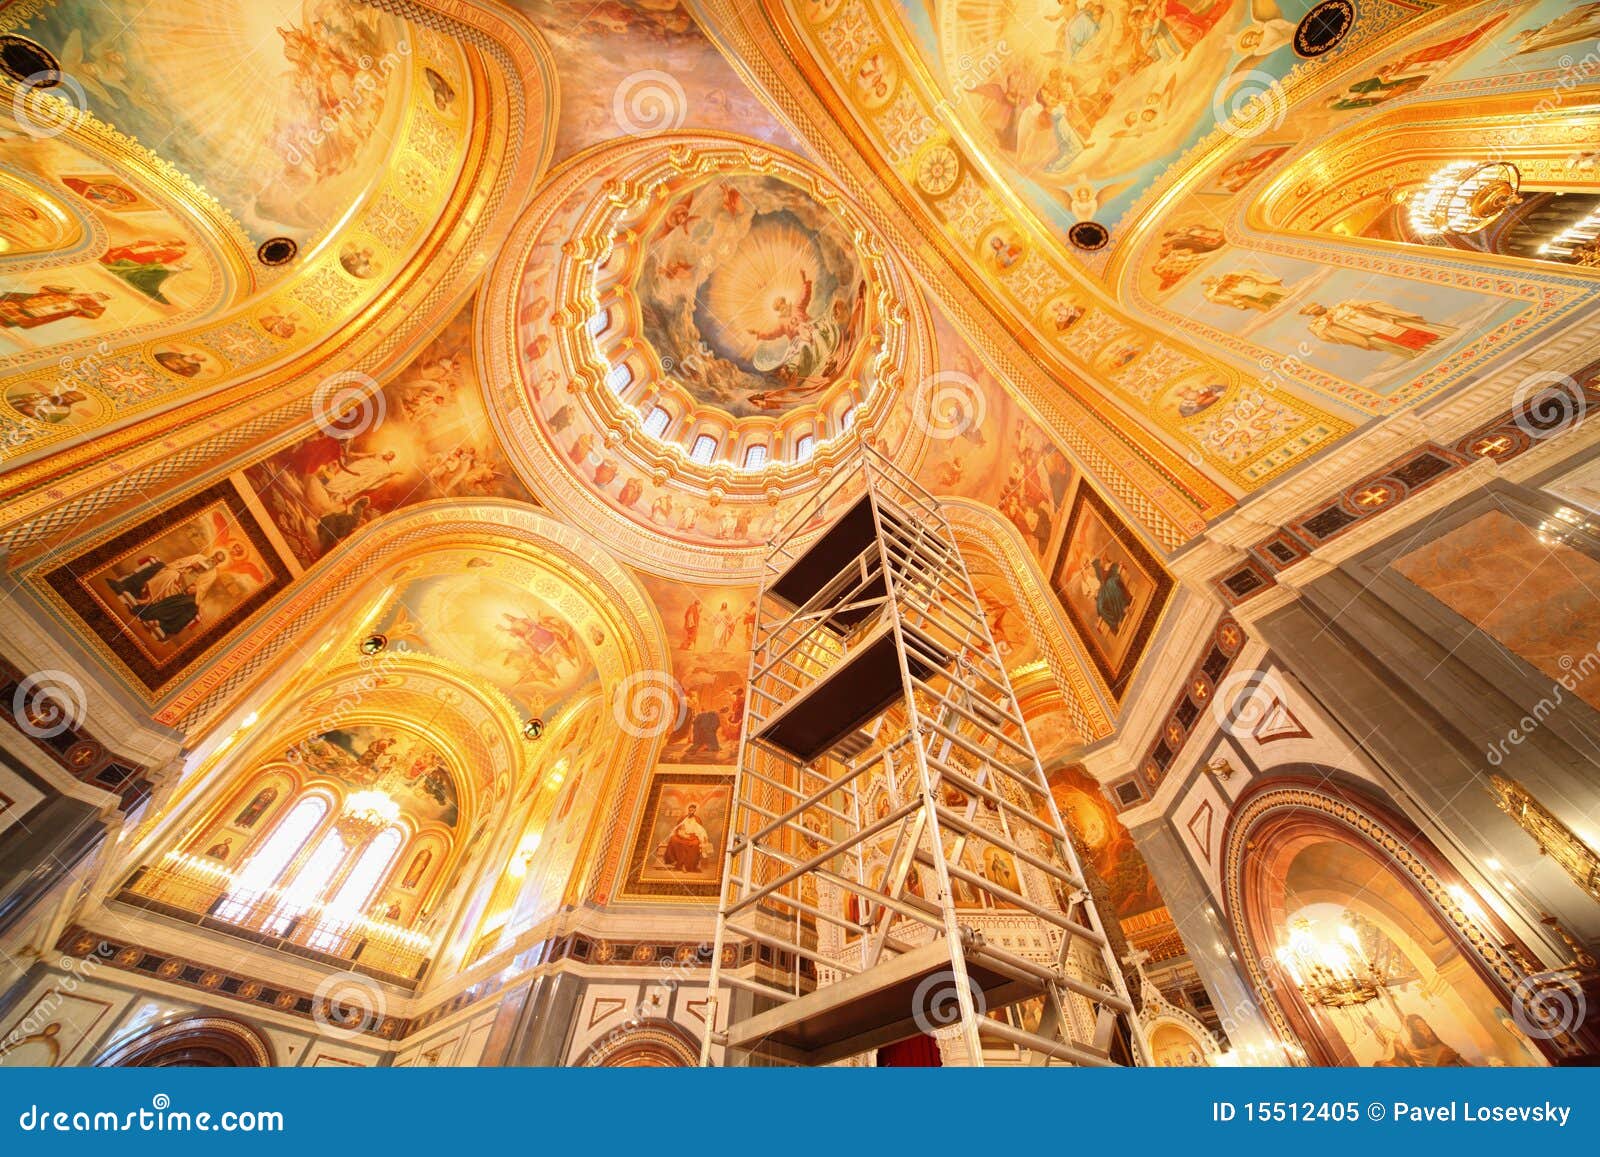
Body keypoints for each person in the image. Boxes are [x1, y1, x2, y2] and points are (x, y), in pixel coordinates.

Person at [662, 803, 711, 872]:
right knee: (673, 839)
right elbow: (677, 827)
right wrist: (680, 833)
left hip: (692, 836)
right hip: (682, 835)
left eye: (692, 810)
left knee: (694, 844)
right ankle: (675, 862)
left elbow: (701, 830)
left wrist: (704, 838)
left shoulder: (697, 819)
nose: (691, 812)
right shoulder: (683, 818)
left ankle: (686, 865)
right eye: (690, 810)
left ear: (695, 811)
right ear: (688, 810)